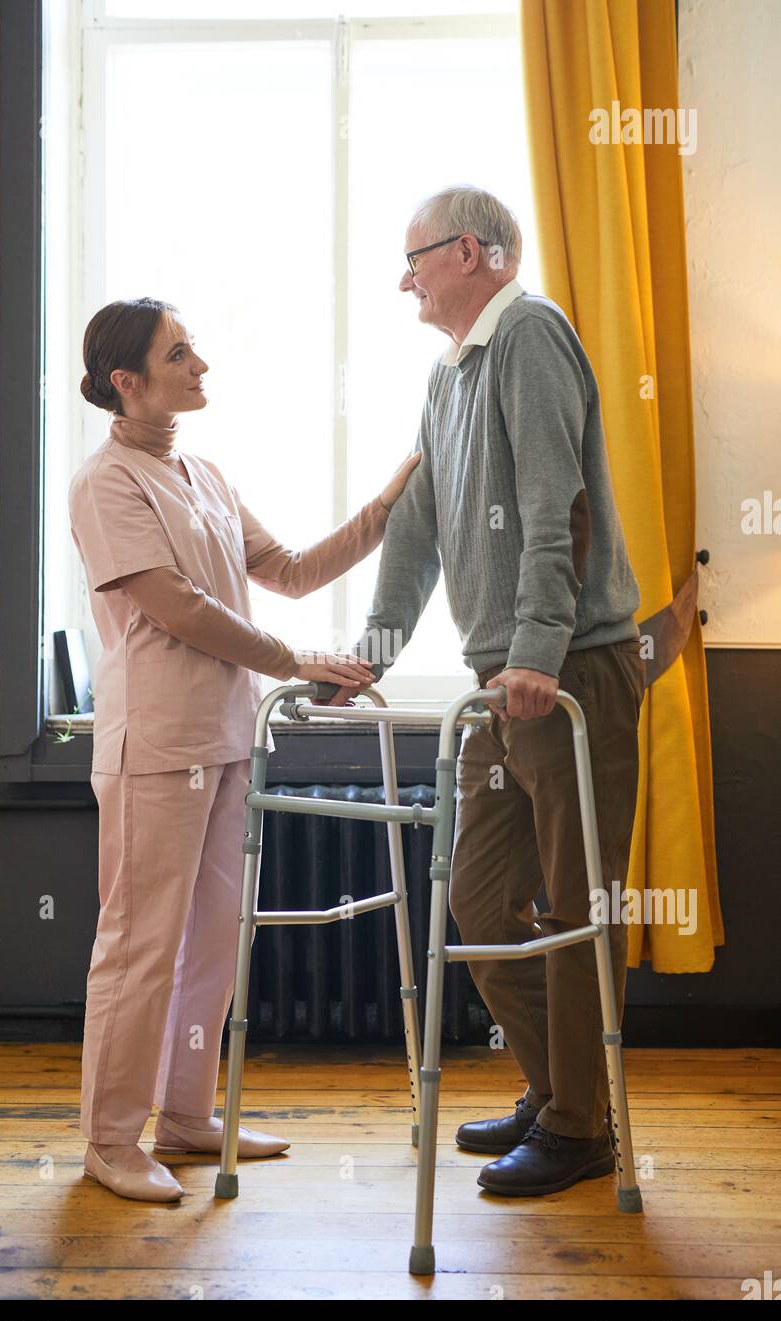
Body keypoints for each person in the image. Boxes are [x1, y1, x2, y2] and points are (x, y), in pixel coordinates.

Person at [321, 185, 646, 1197]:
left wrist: (540, 653)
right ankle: (555, 1090)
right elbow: (413, 531)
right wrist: (370, 651)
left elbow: (559, 506)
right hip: (495, 681)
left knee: (566, 905)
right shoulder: (445, 372)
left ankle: (579, 1126)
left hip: (565, 670)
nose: (403, 278)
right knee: (476, 899)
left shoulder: (529, 336)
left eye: (415, 257)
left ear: (471, 252)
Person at [68, 296, 421, 1202]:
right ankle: (110, 1142)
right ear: (126, 382)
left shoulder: (208, 475)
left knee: (215, 938)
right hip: (154, 743)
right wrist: (297, 660)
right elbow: (178, 609)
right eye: (179, 353)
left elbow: (294, 571)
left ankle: (184, 1117)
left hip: (225, 739)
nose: (201, 366)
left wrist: (390, 501)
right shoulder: (104, 483)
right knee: (138, 944)